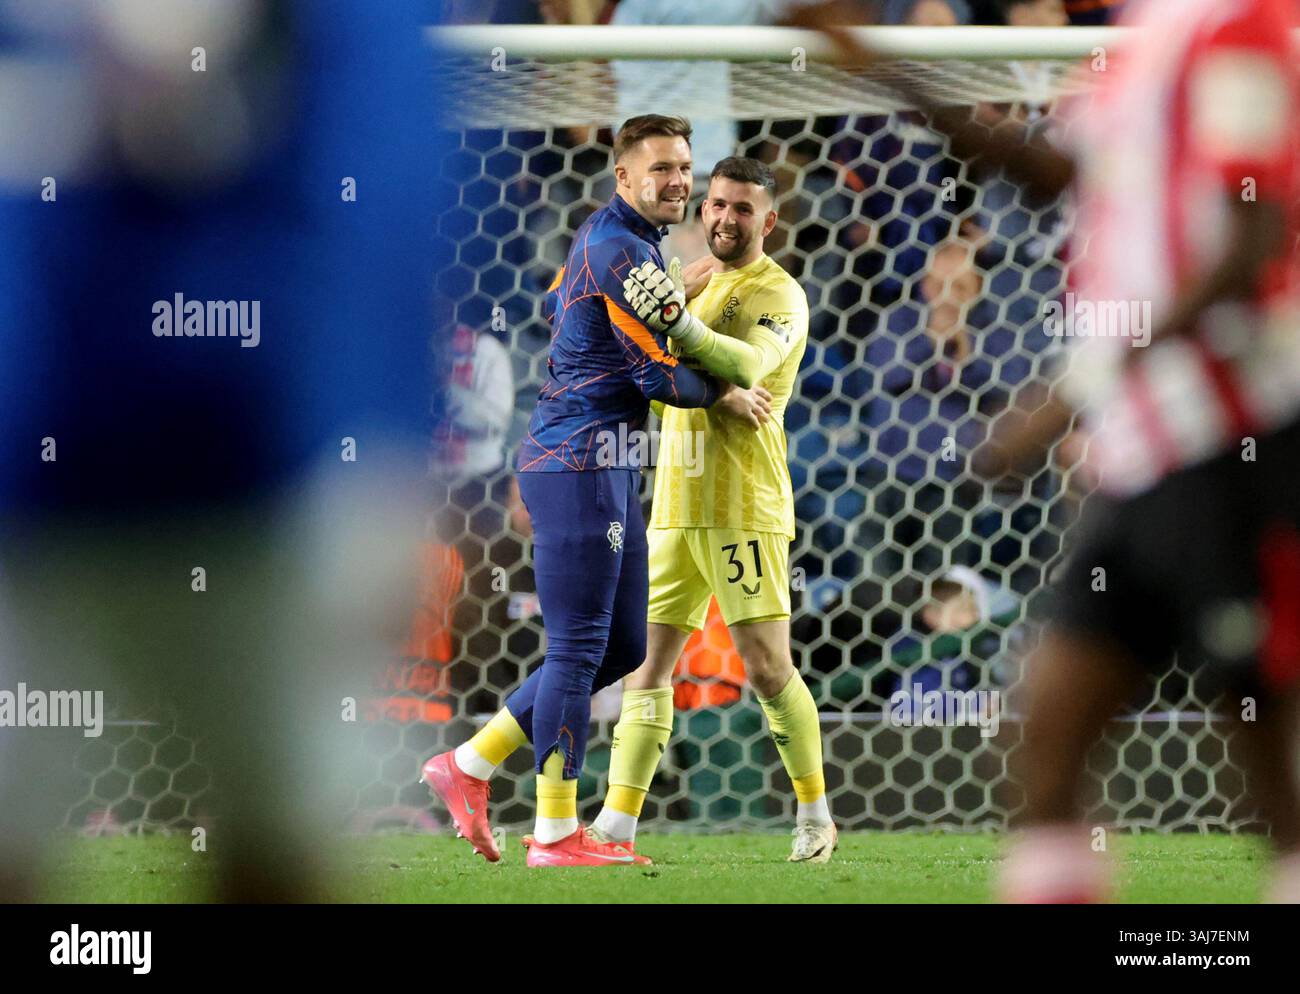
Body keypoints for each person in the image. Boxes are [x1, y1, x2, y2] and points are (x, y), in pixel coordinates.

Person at [419, 116, 758, 868]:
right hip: (577, 463)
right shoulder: (617, 248)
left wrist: (670, 287)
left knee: (623, 647)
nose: (678, 180)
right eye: (662, 167)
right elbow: (655, 375)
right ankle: (553, 834)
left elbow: (565, 308)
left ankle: (468, 764)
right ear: (624, 178)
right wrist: (730, 389)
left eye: (684, 167)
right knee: (576, 648)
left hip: (607, 463)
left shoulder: (623, 246)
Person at [601, 156, 837, 861]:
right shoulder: (692, 281)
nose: (726, 218)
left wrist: (675, 321)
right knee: (646, 668)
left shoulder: (781, 294)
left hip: (743, 505)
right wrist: (673, 313)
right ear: (703, 209)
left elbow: (749, 365)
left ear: (769, 221)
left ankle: (816, 815)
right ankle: (616, 826)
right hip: (674, 500)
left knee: (767, 669)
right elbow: (642, 369)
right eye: (718, 204)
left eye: (744, 209)